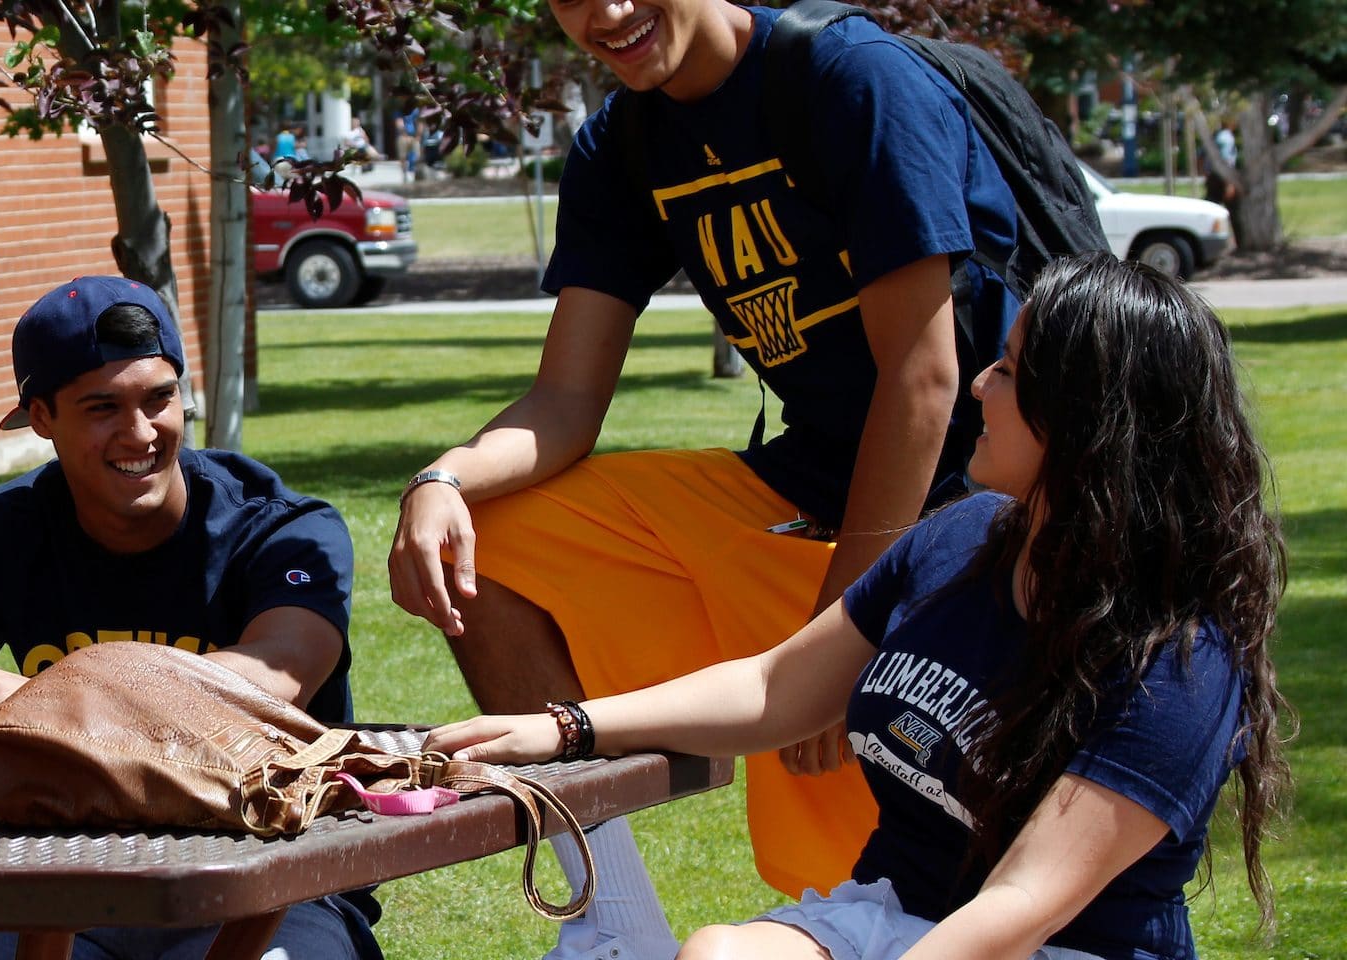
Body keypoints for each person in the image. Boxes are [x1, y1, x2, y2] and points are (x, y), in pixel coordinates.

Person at [427, 254, 1289, 960]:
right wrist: (565, 730)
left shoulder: (1178, 663)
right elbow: (773, 688)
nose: (980, 385)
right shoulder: (959, 538)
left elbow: (1020, 906)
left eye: (1009, 369)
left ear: (1087, 420)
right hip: (895, 913)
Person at [386, 1, 1022, 957]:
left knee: (908, 877)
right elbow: (566, 397)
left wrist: (835, 635)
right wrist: (442, 481)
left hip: (955, 509)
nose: (605, 14)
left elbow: (924, 381)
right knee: (496, 540)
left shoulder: (854, 80)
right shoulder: (623, 143)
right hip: (803, 490)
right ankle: (613, 927)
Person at [0, 276, 378, 960]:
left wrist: (54, 701)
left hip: (268, 878)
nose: (141, 433)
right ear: (42, 417)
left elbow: (275, 679)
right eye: (103, 408)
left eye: (159, 399)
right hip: (60, 881)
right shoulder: (13, 532)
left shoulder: (283, 531)